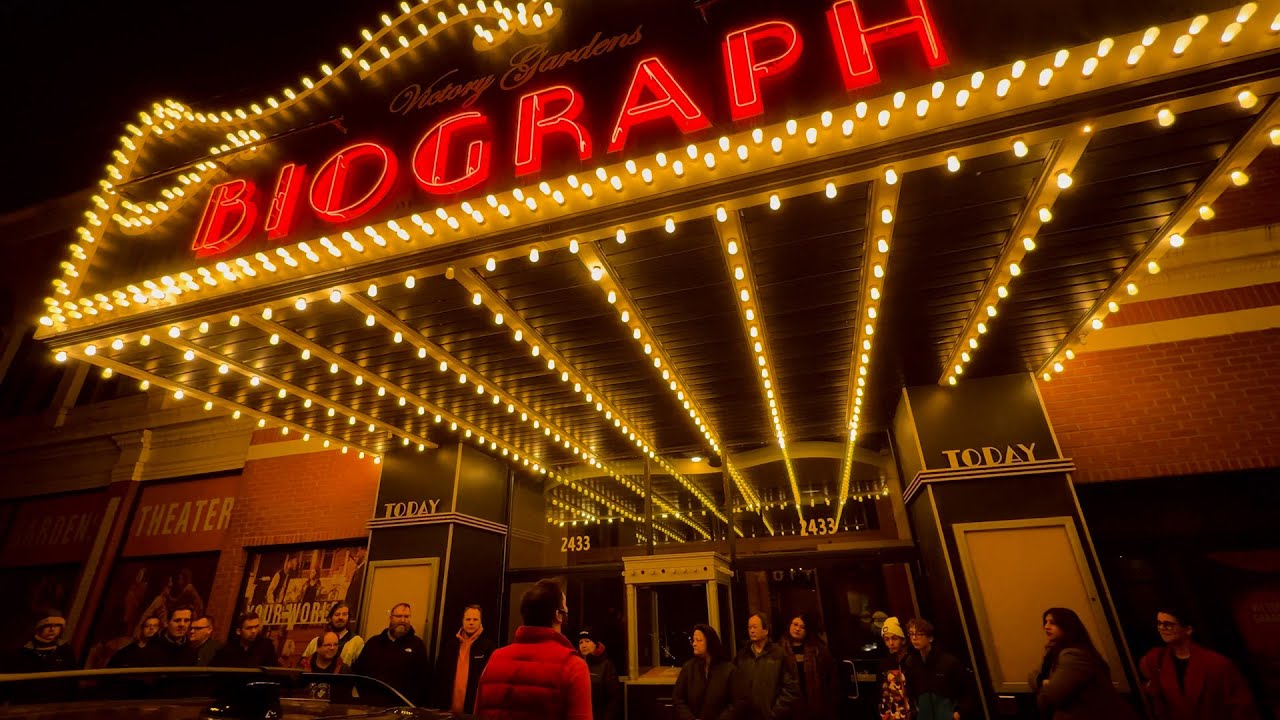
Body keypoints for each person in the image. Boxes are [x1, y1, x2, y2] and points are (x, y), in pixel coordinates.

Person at [473, 578, 592, 720]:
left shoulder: (495, 658)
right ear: (558, 615)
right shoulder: (573, 666)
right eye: (565, 608)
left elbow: (478, 713)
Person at [1139, 607, 1258, 720]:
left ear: (1188, 629)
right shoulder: (1158, 660)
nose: (1162, 628)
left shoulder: (1217, 664)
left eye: (1168, 625)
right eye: (1159, 624)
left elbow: (1241, 707)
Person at [1031, 608, 1136, 720]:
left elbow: (1048, 698)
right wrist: (1044, 682)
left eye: (1052, 623)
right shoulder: (1053, 652)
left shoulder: (1074, 656)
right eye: (1045, 622)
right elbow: (1032, 676)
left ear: (1067, 626)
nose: (1046, 626)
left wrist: (1044, 685)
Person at [351, 602, 430, 705]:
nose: (402, 620)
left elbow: (423, 680)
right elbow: (359, 672)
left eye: (406, 616)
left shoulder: (417, 645)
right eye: (398, 616)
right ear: (390, 618)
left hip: (404, 709)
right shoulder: (374, 643)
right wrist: (367, 697)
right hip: (373, 707)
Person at [731, 612, 799, 720]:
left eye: (755, 627)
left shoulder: (778, 654)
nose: (751, 631)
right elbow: (734, 685)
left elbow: (791, 688)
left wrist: (775, 712)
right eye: (749, 627)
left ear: (766, 630)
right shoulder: (742, 655)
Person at [903, 618, 972, 720]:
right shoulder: (912, 663)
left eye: (919, 634)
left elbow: (967, 691)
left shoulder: (948, 662)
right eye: (911, 634)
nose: (914, 638)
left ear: (930, 638)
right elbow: (911, 692)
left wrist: (958, 714)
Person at [438, 604, 497, 714]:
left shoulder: (488, 647)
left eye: (475, 619)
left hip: (474, 711)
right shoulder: (450, 645)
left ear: (480, 621)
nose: (471, 622)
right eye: (468, 619)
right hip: (447, 710)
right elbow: (439, 676)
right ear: (462, 620)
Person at [673, 623, 735, 720]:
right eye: (694, 640)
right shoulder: (689, 668)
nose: (694, 644)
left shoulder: (728, 669)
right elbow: (678, 699)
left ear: (710, 643)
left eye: (699, 640)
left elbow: (735, 703)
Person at [785, 613, 840, 720]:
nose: (797, 629)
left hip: (816, 706)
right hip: (790, 706)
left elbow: (831, 679)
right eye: (795, 624)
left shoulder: (819, 650)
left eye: (802, 627)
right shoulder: (780, 650)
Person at [3, 609, 79, 673]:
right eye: (47, 625)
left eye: (56, 625)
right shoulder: (24, 652)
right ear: (39, 627)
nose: (52, 629)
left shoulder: (65, 649)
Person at [302, 601, 365, 666]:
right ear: (330, 618)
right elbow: (301, 667)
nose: (340, 617)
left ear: (349, 618)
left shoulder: (356, 642)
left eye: (344, 614)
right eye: (337, 614)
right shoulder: (315, 642)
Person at [577, 628, 621, 720]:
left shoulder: (606, 665)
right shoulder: (575, 664)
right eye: (580, 642)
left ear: (595, 644)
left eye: (587, 641)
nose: (583, 645)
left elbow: (613, 699)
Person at [212, 611, 278, 667]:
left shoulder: (266, 646)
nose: (254, 631)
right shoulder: (227, 649)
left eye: (256, 627)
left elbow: (274, 669)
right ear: (239, 631)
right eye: (249, 628)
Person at [878, 616, 912, 720]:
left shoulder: (912, 660)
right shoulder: (886, 663)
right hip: (894, 714)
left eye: (894, 638)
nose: (890, 643)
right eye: (887, 639)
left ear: (903, 640)